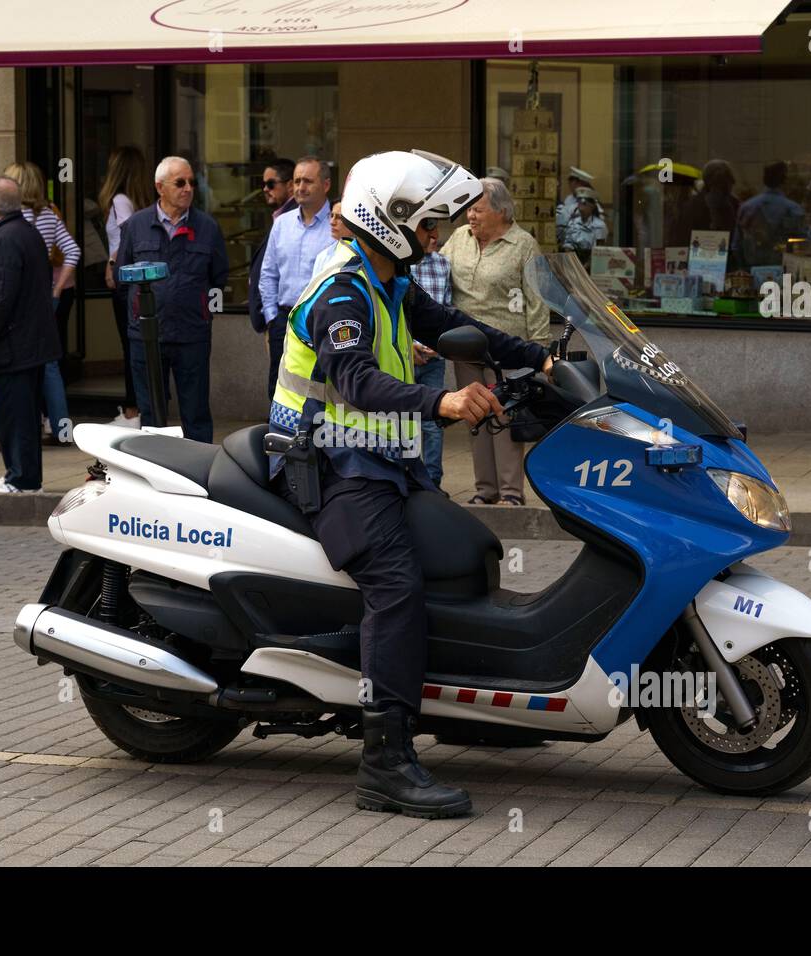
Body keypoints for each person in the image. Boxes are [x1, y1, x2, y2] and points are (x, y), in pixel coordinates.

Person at [268, 150, 553, 817]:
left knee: (462, 552)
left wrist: (540, 356)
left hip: (377, 462)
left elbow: (461, 332)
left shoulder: (390, 280)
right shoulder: (345, 289)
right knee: (395, 584)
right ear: (390, 220)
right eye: (428, 225)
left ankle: (471, 708)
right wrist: (444, 405)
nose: (437, 236)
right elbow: (355, 381)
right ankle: (385, 760)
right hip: (327, 464)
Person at [442, 177, 551, 506]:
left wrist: (540, 349)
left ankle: (510, 493)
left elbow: (537, 299)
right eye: (468, 210)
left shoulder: (523, 244)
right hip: (466, 347)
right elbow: (433, 276)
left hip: (508, 348)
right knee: (474, 417)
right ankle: (484, 490)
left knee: (504, 417)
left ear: (502, 212)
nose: (470, 216)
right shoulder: (459, 239)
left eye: (478, 209)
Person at [115, 155, 228, 442]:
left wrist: (201, 308)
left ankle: (201, 476)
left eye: (191, 182)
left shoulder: (207, 227)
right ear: (159, 187)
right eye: (180, 182)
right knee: (151, 413)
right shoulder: (135, 225)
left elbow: (219, 277)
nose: (188, 188)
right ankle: (157, 473)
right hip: (146, 336)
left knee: (196, 412)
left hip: (192, 333)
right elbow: (121, 275)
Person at [0, 177, 62, 494]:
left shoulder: (6, 238)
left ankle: (22, 479)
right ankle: (16, 473)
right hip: (25, 341)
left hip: (14, 344)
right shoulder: (24, 232)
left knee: (16, 413)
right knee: (16, 413)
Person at [6, 160, 77, 442]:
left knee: (23, 364)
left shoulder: (13, 219)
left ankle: (29, 424)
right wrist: (57, 289)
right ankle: (61, 427)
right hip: (47, 297)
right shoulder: (48, 214)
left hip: (22, 300)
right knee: (49, 363)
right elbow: (73, 250)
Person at [258, 156, 334, 401]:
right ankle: (281, 438)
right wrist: (272, 317)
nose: (300, 187)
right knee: (280, 389)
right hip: (285, 320)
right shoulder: (282, 224)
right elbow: (268, 274)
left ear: (325, 185)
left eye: (308, 181)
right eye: (297, 181)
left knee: (322, 390)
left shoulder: (338, 224)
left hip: (323, 320)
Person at [99, 146, 154, 427]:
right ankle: (140, 406)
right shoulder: (139, 199)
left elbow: (124, 235)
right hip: (135, 276)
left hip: (124, 277)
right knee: (137, 344)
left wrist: (112, 264)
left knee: (129, 344)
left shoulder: (120, 200)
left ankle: (133, 410)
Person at [409, 215, 451, 489]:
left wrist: (439, 344)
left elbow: (446, 308)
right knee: (404, 418)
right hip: (406, 353)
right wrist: (410, 344)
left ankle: (433, 481)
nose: (433, 234)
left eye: (435, 229)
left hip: (435, 357)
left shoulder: (443, 265)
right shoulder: (403, 268)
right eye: (427, 228)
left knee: (434, 421)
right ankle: (410, 475)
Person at [247, 158, 297, 336]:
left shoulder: (295, 220)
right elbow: (268, 272)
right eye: (263, 184)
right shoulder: (281, 219)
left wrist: (273, 319)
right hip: (276, 321)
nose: (265, 189)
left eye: (271, 184)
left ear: (290, 185)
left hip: (289, 322)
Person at [735, 161, 806, 267]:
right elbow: (803, 243)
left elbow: (736, 245)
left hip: (751, 269)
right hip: (784, 269)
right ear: (785, 179)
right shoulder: (793, 209)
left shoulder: (747, 207)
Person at [558, 186, 608, 263]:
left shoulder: (599, 226)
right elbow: (567, 246)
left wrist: (585, 267)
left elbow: (599, 252)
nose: (581, 207)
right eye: (579, 203)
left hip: (592, 264)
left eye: (584, 203)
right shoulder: (572, 223)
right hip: (573, 262)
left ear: (592, 206)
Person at [311, 200, 352, 272]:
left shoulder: (366, 255)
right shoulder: (323, 256)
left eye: (339, 217)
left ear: (353, 220)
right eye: (332, 215)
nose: (332, 222)